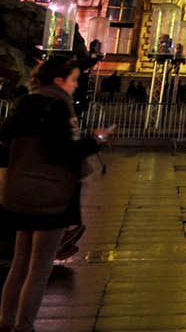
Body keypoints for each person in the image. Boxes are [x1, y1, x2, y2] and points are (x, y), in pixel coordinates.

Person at [0, 56, 110, 332]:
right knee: (40, 268)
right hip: (51, 195)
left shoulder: (23, 103)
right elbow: (63, 152)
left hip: (21, 192)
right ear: (58, 80)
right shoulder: (57, 106)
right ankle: (23, 326)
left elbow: (6, 141)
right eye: (73, 79)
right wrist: (95, 141)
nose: (75, 86)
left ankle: (5, 321)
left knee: (19, 263)